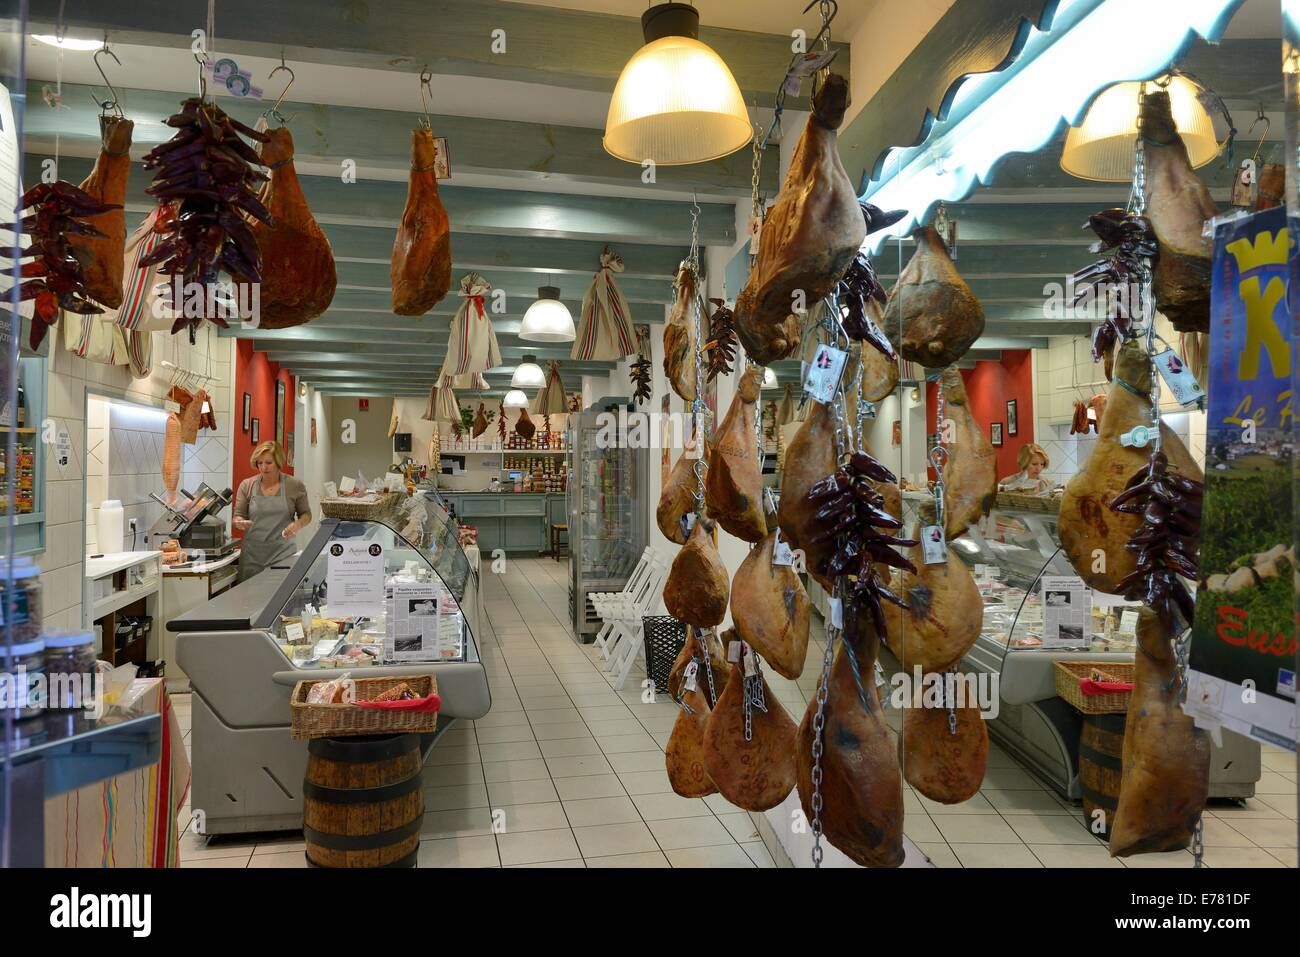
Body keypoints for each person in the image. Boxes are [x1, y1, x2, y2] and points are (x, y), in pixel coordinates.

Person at [234, 440, 312, 582]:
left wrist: (297, 525)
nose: (264, 467)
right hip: (253, 556)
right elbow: (238, 515)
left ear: (278, 462)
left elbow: (306, 514)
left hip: (282, 554)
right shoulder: (247, 485)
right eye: (260, 463)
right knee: (250, 601)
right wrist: (239, 522)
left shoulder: (294, 485)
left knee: (280, 598)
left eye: (269, 463)